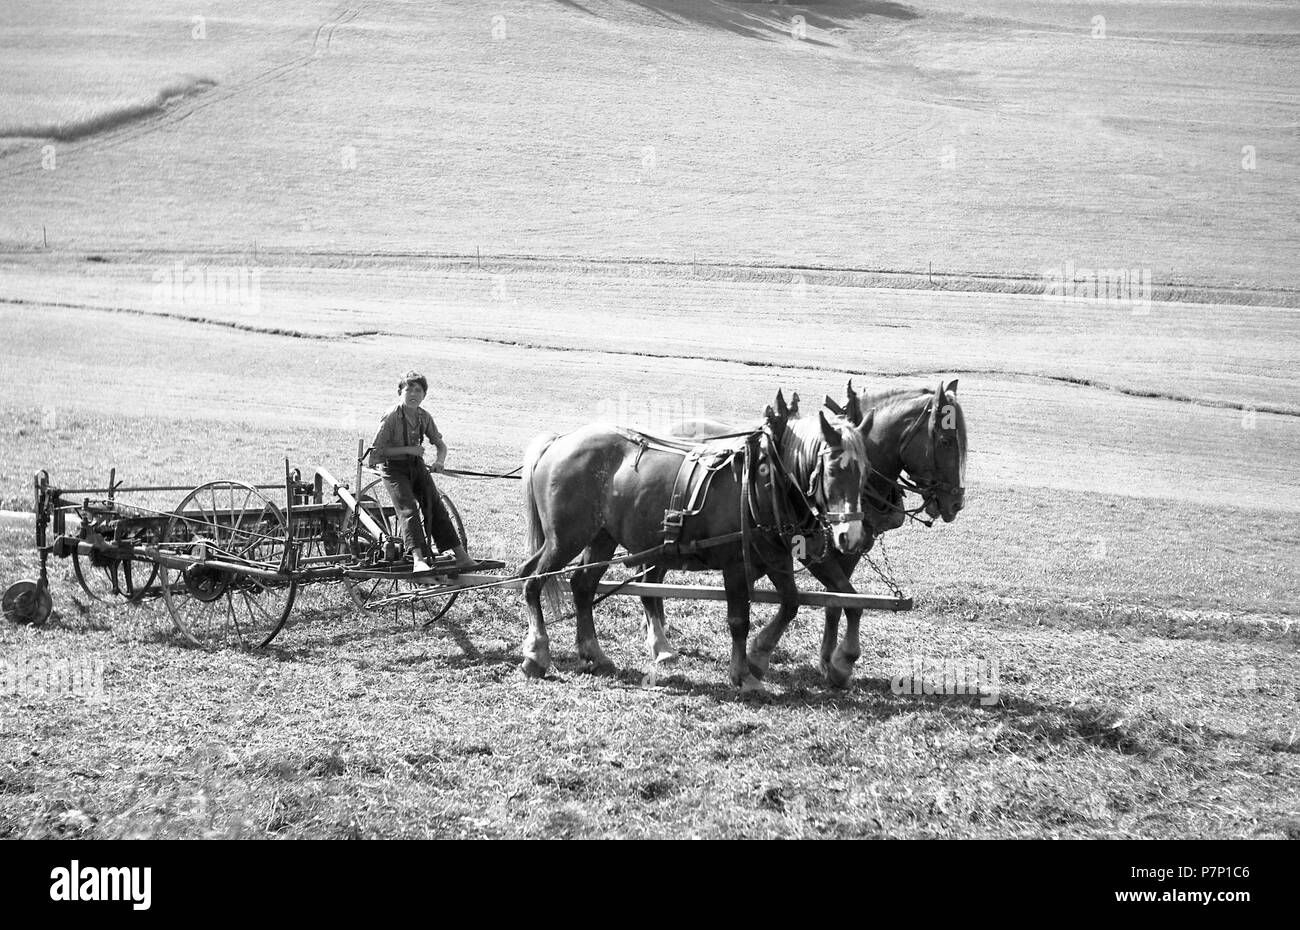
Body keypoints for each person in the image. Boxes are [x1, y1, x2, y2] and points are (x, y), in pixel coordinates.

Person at [368, 370, 476, 574]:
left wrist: (439, 461)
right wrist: (409, 450)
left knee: (436, 507)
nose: (413, 394)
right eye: (409, 389)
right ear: (400, 392)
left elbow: (441, 446)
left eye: (419, 390)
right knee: (408, 509)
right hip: (393, 469)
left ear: (424, 395)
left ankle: (461, 556)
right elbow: (378, 451)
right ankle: (418, 560)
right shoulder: (392, 415)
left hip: (416, 466)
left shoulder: (424, 417)